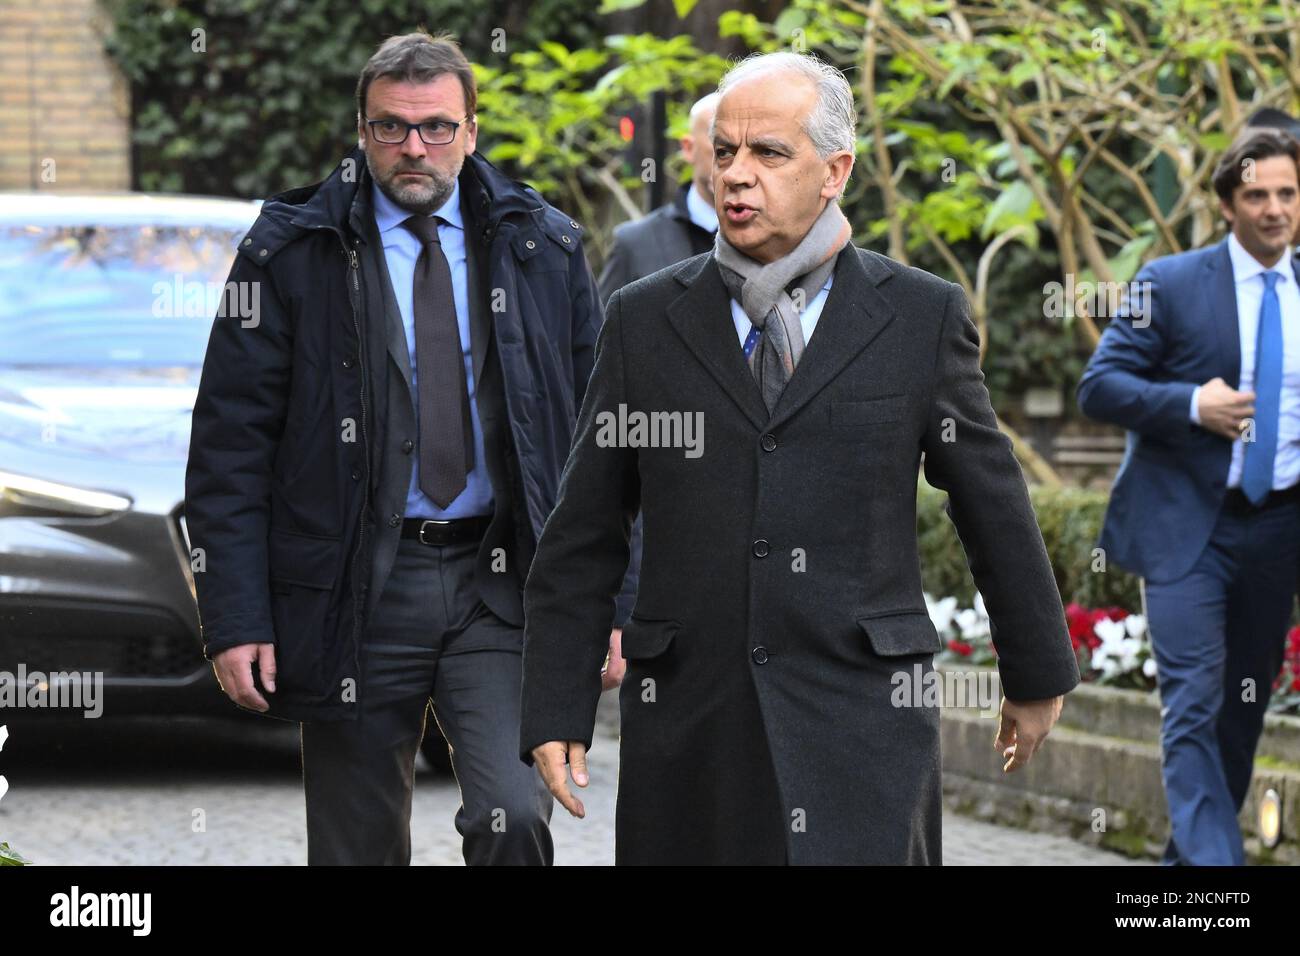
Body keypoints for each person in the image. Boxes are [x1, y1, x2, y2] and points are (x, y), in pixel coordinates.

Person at [518, 51, 1080, 865]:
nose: (736, 177)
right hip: (691, 721)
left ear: (834, 170)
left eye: (769, 154)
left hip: (864, 716)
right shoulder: (643, 322)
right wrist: (557, 707)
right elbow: (584, 530)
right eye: (725, 154)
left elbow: (991, 501)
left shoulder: (919, 316)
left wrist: (1034, 669)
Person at [185, 30, 635, 865]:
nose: (414, 148)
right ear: (361, 129)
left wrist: (617, 601)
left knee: (514, 815)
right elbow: (228, 444)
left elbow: (603, 442)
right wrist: (235, 616)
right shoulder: (287, 252)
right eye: (391, 127)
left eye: (435, 127)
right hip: (353, 586)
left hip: (502, 586)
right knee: (355, 845)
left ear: (471, 129)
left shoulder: (543, 245)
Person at [1078, 127, 1300, 865]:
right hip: (1188, 531)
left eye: (1287, 194)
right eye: (1256, 195)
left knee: (1242, 708)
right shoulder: (1169, 283)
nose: (1274, 210)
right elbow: (1099, 386)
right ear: (1227, 204)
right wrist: (1188, 405)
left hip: (1279, 530)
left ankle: (1189, 866)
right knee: (1195, 702)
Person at [596, 93, 720, 305]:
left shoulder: (772, 236)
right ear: (689, 148)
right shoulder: (635, 243)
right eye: (721, 147)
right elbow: (603, 333)